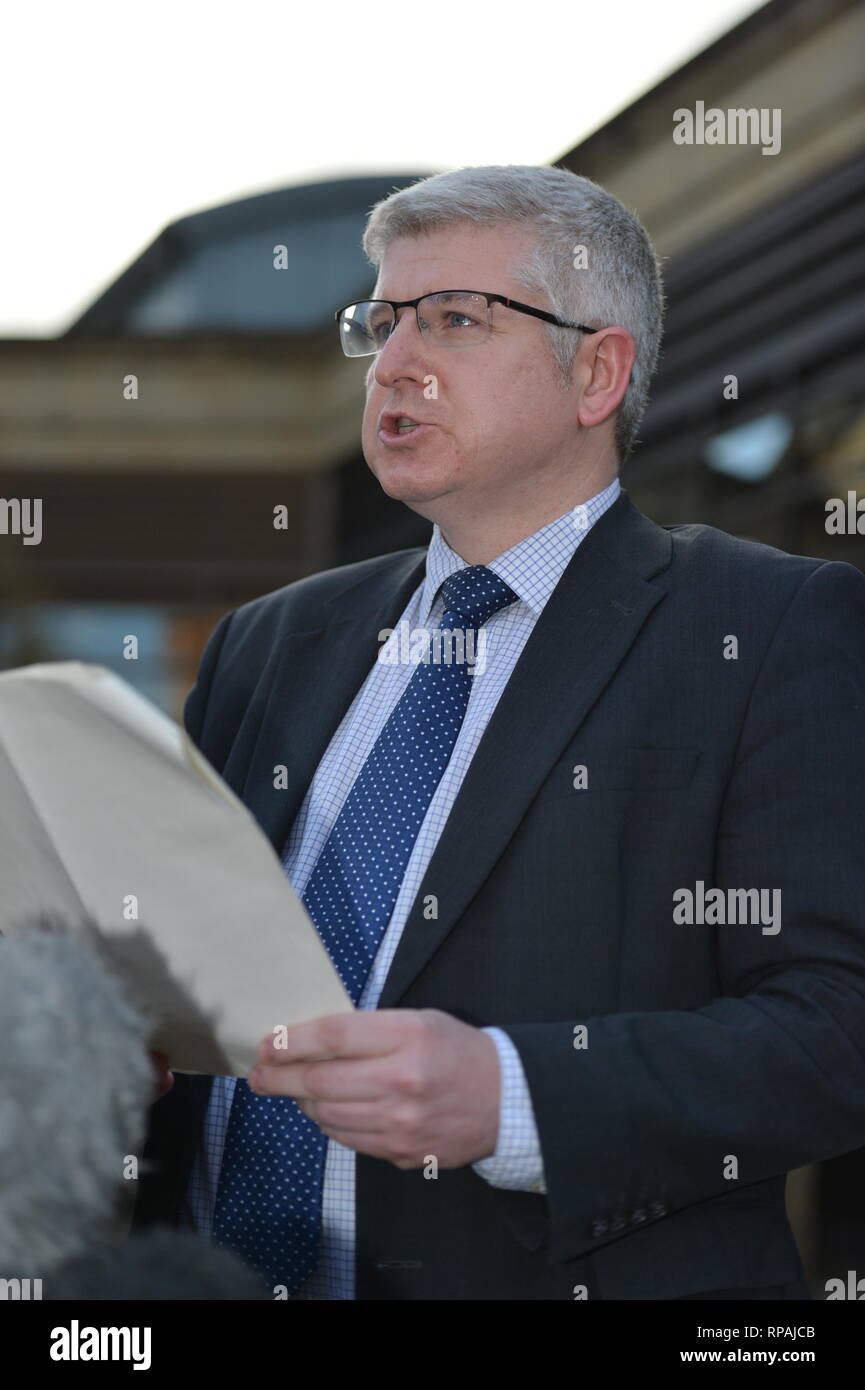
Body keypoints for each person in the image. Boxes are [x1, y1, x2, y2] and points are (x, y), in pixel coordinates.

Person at [133, 164, 865, 1301]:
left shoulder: (768, 629)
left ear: (596, 371)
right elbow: (177, 961)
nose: (393, 364)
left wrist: (514, 1094)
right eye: (381, 323)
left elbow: (833, 1026)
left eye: (456, 321)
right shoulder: (267, 642)